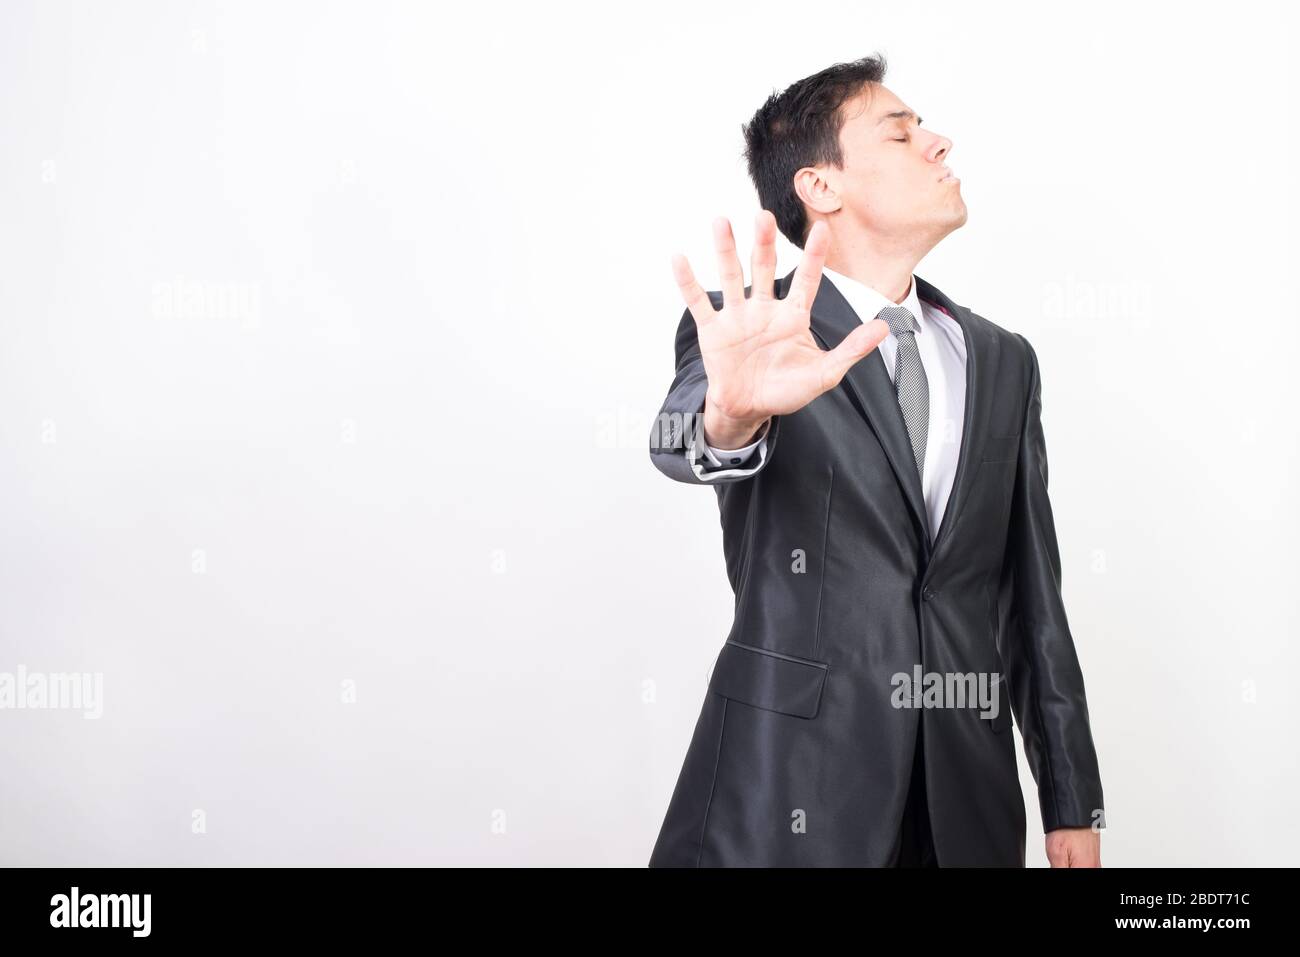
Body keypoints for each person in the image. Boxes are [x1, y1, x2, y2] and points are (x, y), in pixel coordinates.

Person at [647, 54, 1105, 867]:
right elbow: (685, 434)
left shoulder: (1003, 360)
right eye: (902, 132)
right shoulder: (754, 330)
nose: (938, 143)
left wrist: (1073, 799)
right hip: (789, 788)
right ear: (822, 186)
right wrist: (729, 417)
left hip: (964, 800)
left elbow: (1035, 598)